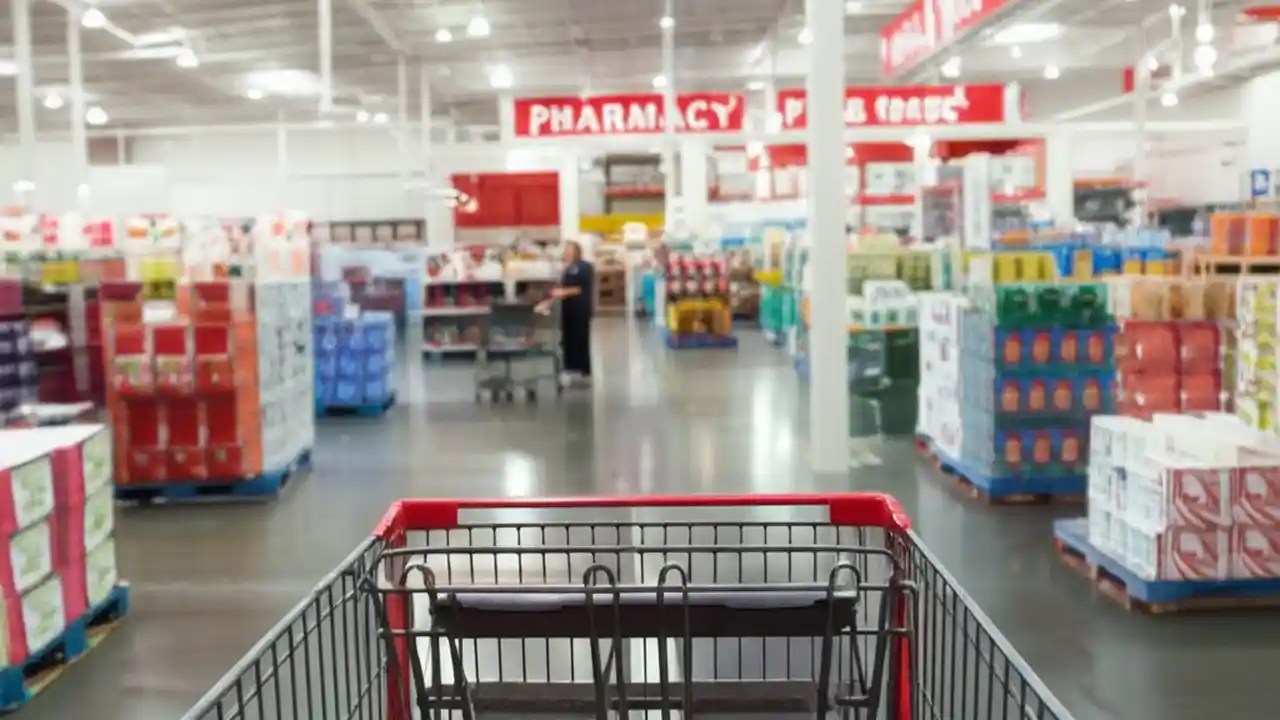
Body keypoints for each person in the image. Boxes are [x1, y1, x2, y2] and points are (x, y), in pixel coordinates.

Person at [539, 240, 594, 386]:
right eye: (566, 250)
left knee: (579, 339)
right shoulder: (567, 268)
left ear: (577, 251)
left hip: (580, 309)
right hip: (568, 309)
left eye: (569, 250)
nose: (566, 252)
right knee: (568, 338)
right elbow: (561, 287)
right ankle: (570, 368)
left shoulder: (583, 267)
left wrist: (562, 292)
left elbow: (579, 288)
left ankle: (582, 370)